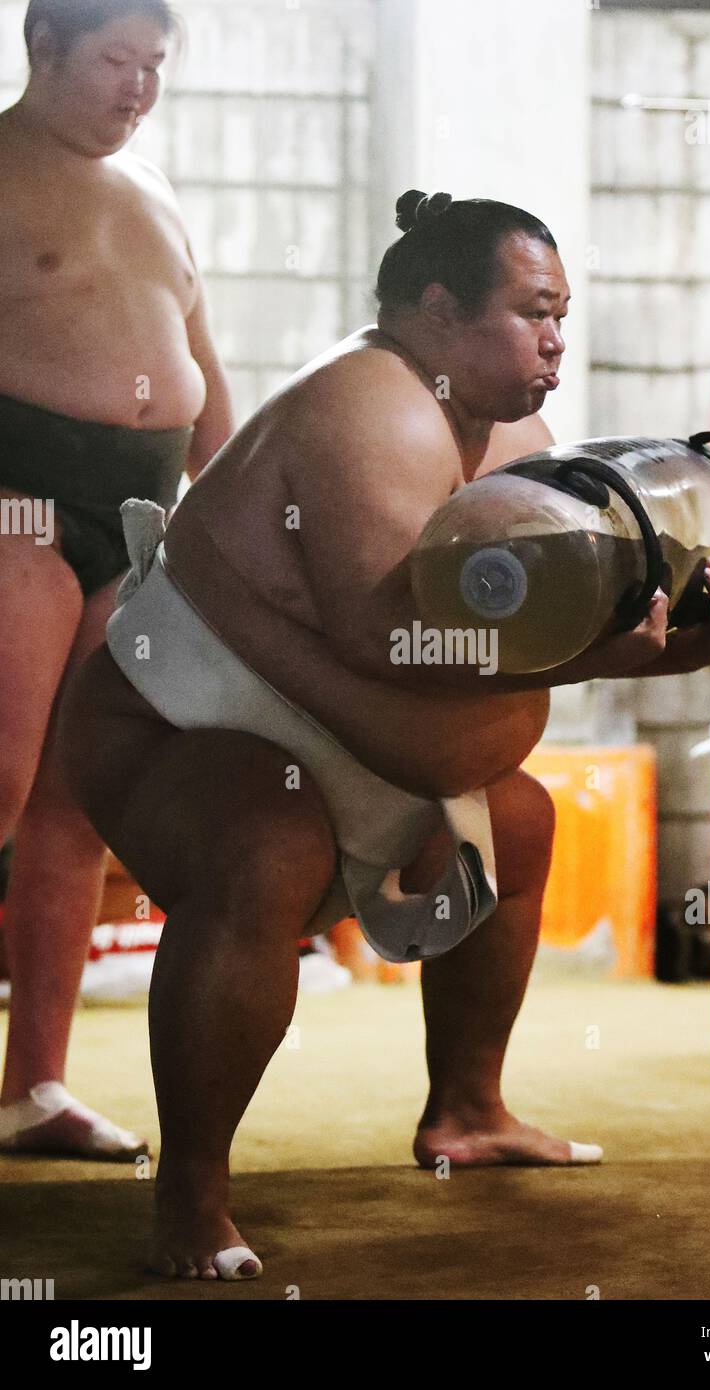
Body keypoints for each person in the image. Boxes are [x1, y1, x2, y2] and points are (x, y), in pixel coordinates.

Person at [59, 189, 710, 1280]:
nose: (555, 340)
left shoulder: (522, 436)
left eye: (563, 315)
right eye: (533, 312)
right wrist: (602, 657)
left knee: (518, 822)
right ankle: (190, 1196)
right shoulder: (369, 408)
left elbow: (532, 628)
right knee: (269, 841)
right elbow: (397, 643)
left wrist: (677, 638)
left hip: (327, 720)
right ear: (434, 310)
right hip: (168, 718)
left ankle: (466, 1112)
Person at [0, 0, 234, 1158]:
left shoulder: (154, 188)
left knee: (74, 800)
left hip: (147, 517)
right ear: (42, 48)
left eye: (155, 65)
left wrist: (244, 509)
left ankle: (30, 1086)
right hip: (18, 505)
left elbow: (203, 358)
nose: (140, 87)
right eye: (115, 62)